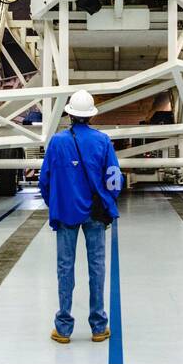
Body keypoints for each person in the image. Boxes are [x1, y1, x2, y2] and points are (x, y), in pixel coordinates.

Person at [38, 89, 121, 344]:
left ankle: (63, 327)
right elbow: (114, 179)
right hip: (95, 214)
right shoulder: (103, 141)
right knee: (97, 267)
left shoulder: (57, 142)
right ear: (91, 116)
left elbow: (44, 181)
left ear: (70, 114)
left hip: (65, 214)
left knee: (65, 268)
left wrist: (56, 203)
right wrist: (107, 201)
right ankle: (98, 326)